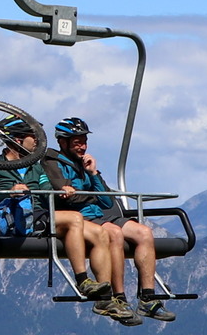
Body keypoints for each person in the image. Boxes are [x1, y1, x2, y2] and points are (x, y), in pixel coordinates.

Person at [49, 117, 173, 324]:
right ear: (63, 142)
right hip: (83, 216)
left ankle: (148, 298)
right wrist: (89, 194)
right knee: (113, 233)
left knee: (144, 233)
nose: (82, 146)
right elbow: (70, 197)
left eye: (84, 141)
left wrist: (94, 174)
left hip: (103, 213)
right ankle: (119, 297)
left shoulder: (85, 165)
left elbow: (106, 200)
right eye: (76, 142)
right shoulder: (53, 163)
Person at [0, 118, 50, 236]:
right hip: (11, 218)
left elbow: (48, 191)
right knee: (75, 220)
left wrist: (63, 192)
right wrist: (9, 193)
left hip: (39, 216)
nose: (37, 140)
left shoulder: (35, 166)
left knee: (82, 227)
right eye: (33, 136)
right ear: (18, 140)